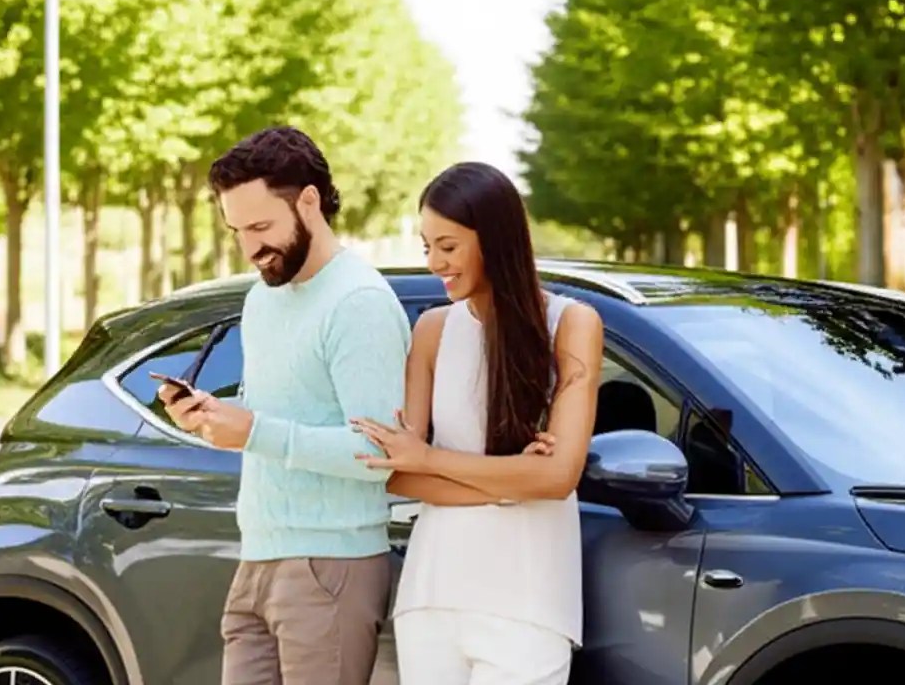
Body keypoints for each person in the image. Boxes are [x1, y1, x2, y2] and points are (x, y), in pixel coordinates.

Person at [156, 125, 414, 685]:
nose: (250, 248)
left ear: (309, 202)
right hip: (258, 554)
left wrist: (254, 433)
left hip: (332, 565)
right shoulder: (261, 299)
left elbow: (379, 453)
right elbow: (279, 410)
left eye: (261, 226)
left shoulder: (359, 302)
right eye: (236, 231)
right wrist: (210, 416)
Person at [351, 161, 604, 685]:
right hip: (433, 593)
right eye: (426, 247)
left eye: (448, 245)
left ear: (494, 237)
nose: (434, 263)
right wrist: (510, 483)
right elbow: (397, 472)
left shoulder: (572, 325)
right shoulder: (433, 331)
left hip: (530, 603)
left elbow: (558, 478)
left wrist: (432, 460)